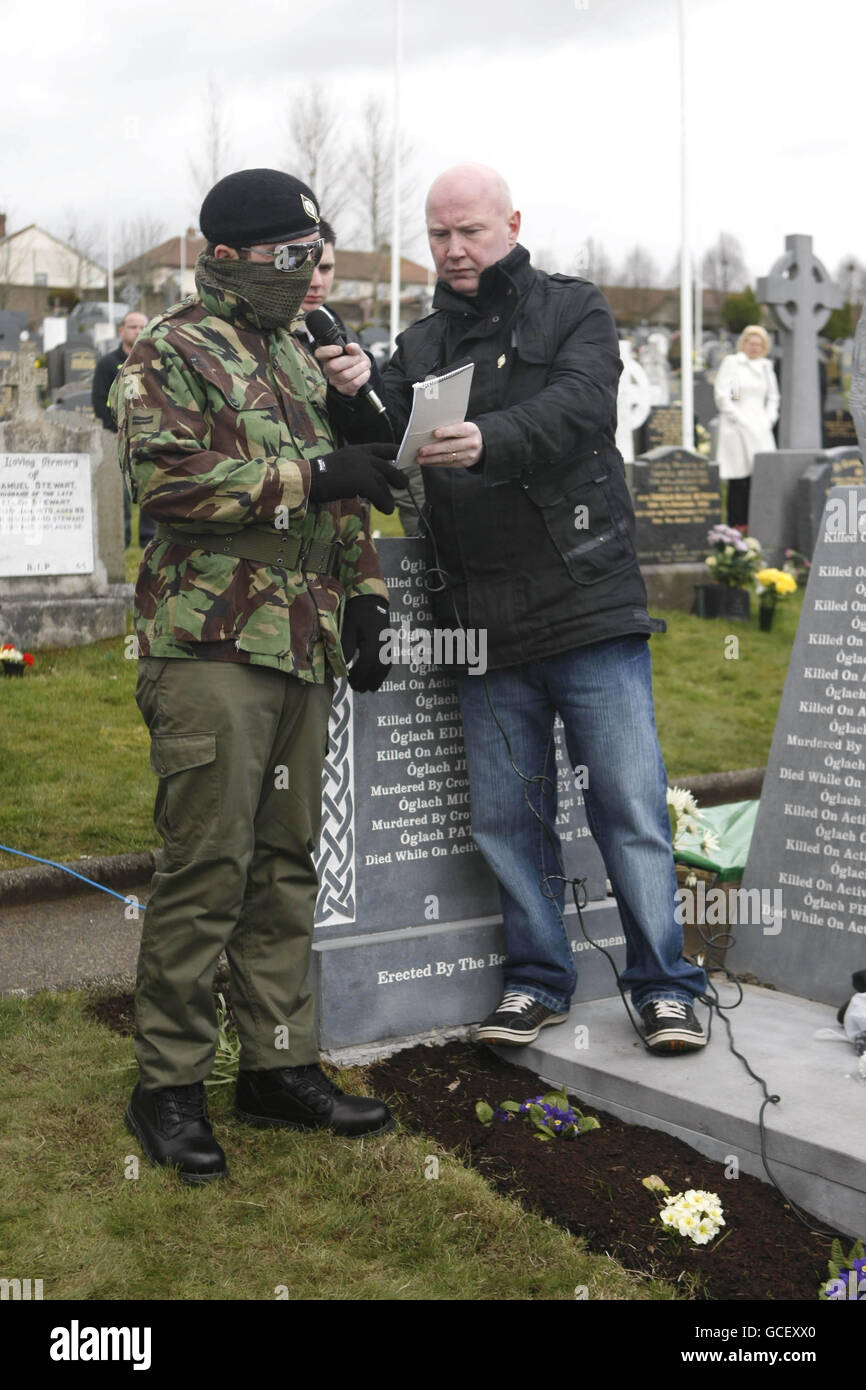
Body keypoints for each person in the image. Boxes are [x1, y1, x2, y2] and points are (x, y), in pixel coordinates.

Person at [319, 162, 707, 1054]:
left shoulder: (575, 308)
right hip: (480, 615)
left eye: (472, 231)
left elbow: (581, 406)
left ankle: (663, 984)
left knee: (629, 804)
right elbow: (387, 444)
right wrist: (354, 393)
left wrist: (491, 438)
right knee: (504, 816)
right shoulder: (418, 346)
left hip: (585, 596)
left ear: (512, 224)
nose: (455, 250)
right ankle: (538, 979)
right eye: (440, 235)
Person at [111, 168, 406, 1183]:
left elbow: (342, 489)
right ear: (227, 255)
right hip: (211, 648)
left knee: (287, 866)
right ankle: (169, 1086)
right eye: (289, 257)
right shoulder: (170, 350)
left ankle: (275, 1065)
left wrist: (363, 592)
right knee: (206, 867)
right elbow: (173, 483)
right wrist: (318, 476)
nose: (304, 272)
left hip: (303, 641)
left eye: (310, 254)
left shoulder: (297, 349)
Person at [92, 310, 148, 546]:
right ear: (121, 330)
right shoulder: (107, 363)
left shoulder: (153, 361)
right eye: (132, 326)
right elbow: (99, 399)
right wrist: (113, 430)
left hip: (147, 437)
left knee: (149, 488)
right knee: (120, 494)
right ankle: (122, 539)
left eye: (141, 327)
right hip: (118, 438)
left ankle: (148, 538)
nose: (137, 331)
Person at [714, 324, 779, 528]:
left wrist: (769, 418)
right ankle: (738, 526)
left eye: (759, 344)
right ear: (744, 344)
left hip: (760, 425)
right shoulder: (733, 363)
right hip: (737, 425)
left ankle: (760, 523)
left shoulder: (766, 367)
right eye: (751, 343)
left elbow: (773, 397)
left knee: (761, 475)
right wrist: (738, 417)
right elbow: (724, 395)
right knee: (739, 479)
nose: (755, 347)